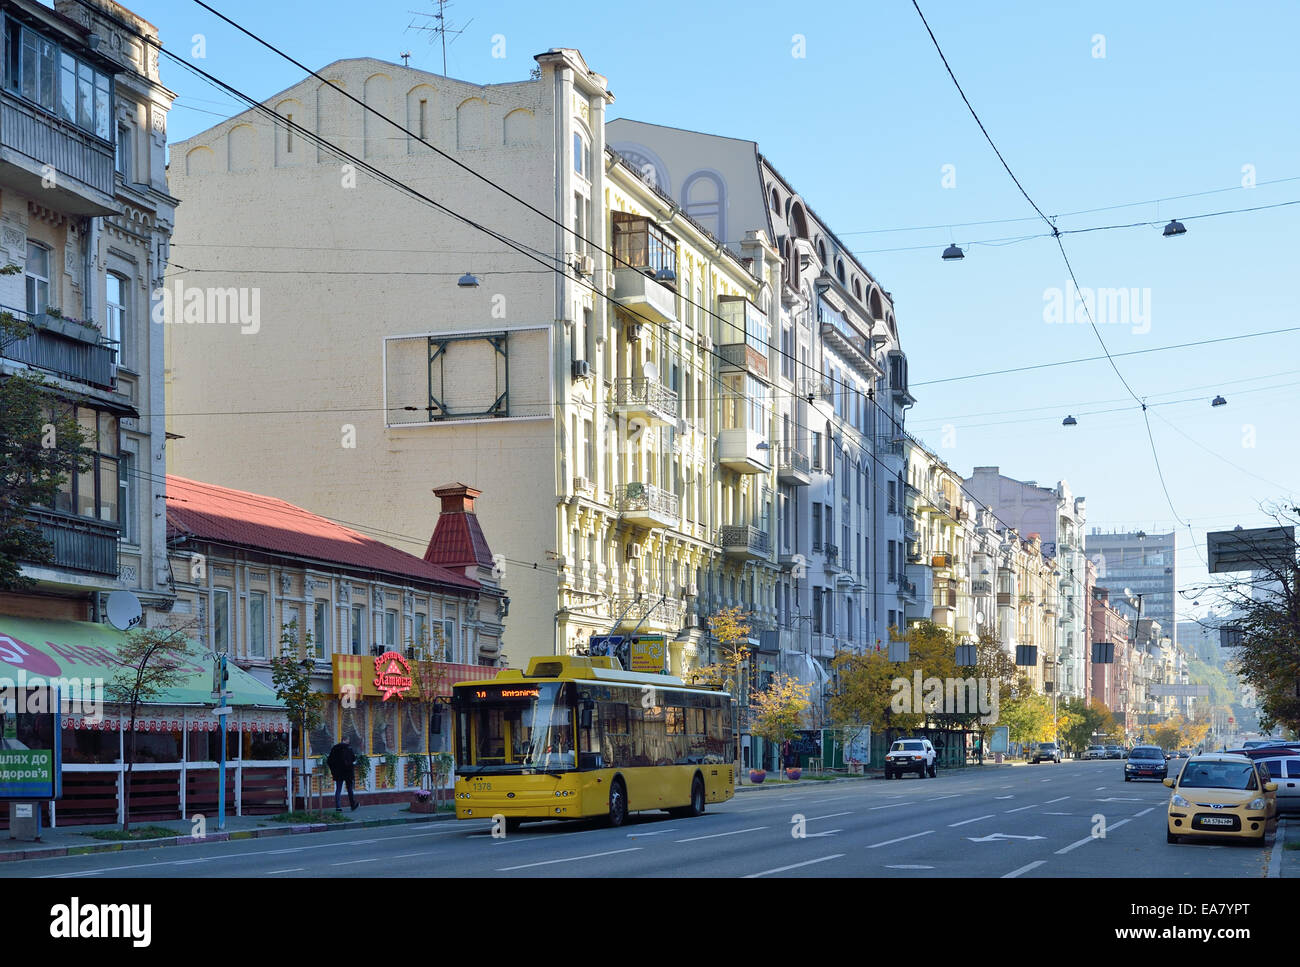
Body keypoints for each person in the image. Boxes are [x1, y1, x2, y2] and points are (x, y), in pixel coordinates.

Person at [327, 739, 358, 811]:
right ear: (345, 740)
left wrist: (333, 770)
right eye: (348, 740)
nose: (349, 742)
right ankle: (352, 805)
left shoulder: (335, 748)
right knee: (349, 789)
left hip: (338, 773)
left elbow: (329, 761)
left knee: (338, 789)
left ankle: (338, 807)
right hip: (348, 772)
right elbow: (353, 758)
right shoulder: (349, 748)